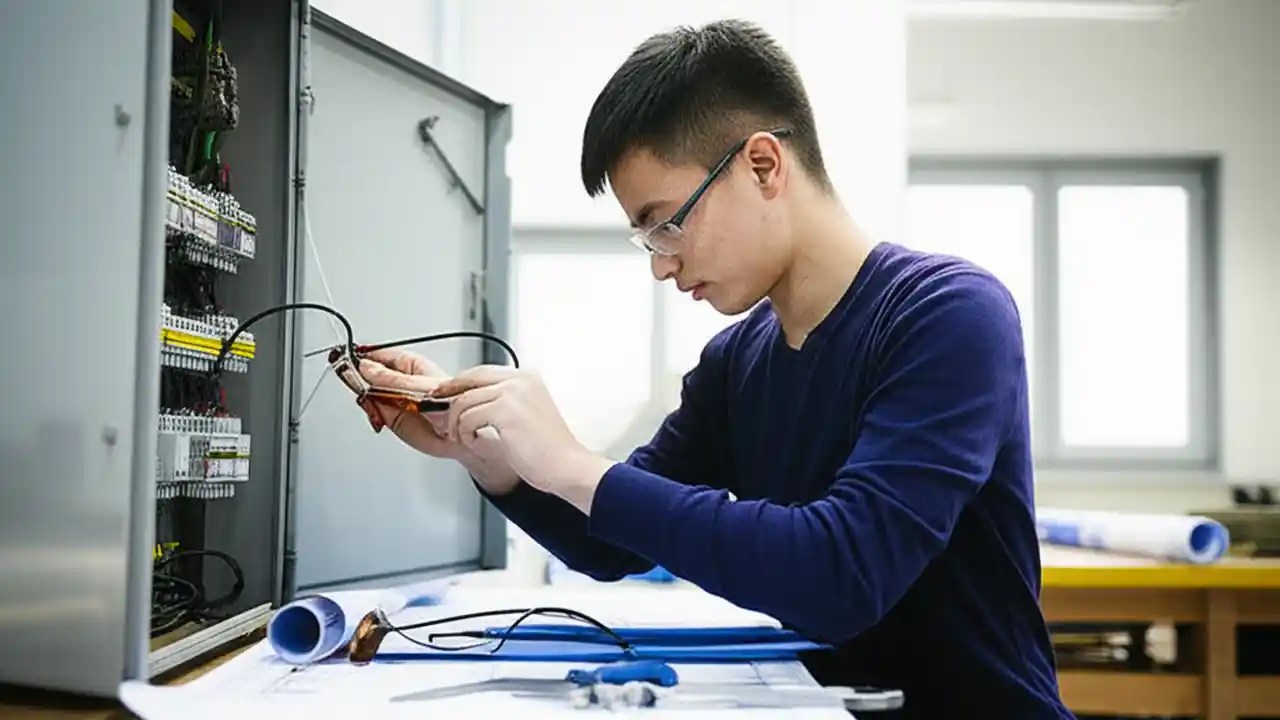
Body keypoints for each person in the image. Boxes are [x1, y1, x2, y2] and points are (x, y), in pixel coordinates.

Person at [356, 18, 1074, 720]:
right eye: (645, 239)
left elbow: (843, 575)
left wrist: (571, 462)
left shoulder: (950, 315)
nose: (663, 265)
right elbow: (610, 539)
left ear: (763, 165)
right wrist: (487, 453)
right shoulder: (740, 360)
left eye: (667, 223)